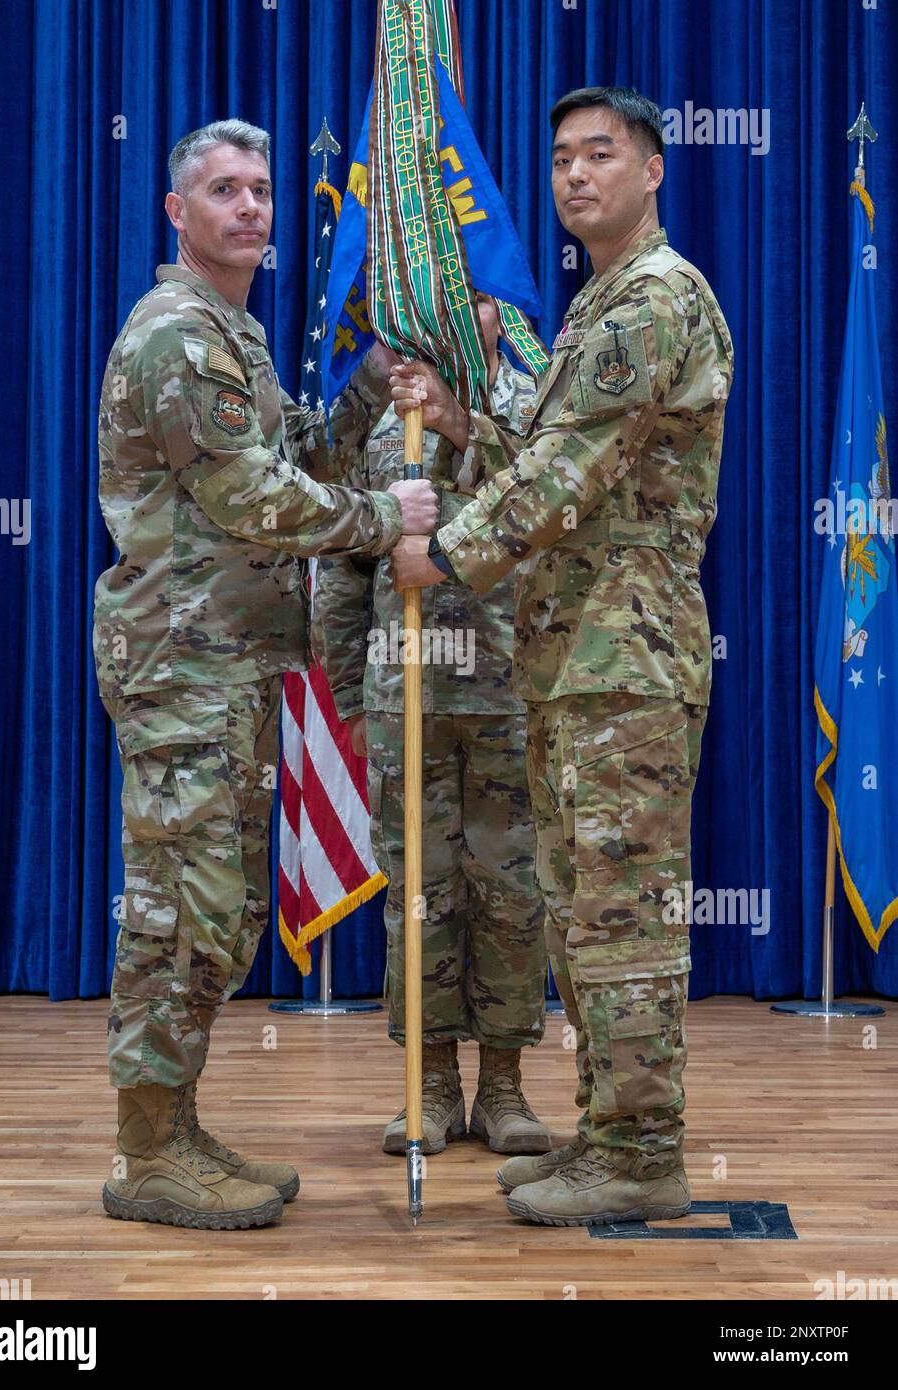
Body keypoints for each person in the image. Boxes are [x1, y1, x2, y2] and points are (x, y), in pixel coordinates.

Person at [388, 87, 734, 1226]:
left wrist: (437, 554)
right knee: (584, 915)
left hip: (620, 661)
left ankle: (642, 1152)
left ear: (652, 171)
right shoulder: (597, 307)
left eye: (601, 155)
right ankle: (608, 1134)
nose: (575, 175)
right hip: (577, 657)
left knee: (621, 917)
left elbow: (560, 477)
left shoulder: (650, 300)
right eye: (560, 160)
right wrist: (458, 424)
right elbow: (553, 453)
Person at [93, 118, 437, 1230]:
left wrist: (368, 387)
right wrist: (387, 517)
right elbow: (251, 499)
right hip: (184, 665)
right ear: (177, 213)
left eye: (260, 191)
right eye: (224, 190)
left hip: (225, 664)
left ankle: (173, 1125)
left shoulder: (230, 335)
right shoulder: (178, 336)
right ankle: (145, 1152)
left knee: (219, 906)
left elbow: (291, 457)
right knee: (178, 911)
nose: (249, 207)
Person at [312, 294, 551, 1158]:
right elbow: (341, 569)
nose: (462, 310)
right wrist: (347, 693)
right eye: (444, 292)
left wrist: (460, 427)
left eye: (477, 295)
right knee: (419, 897)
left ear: (499, 310)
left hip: (509, 696)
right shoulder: (377, 422)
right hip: (405, 695)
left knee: (511, 897)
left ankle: (506, 1087)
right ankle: (432, 1084)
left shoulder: (530, 409)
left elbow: (555, 518)